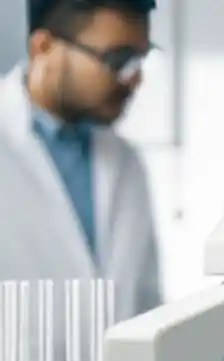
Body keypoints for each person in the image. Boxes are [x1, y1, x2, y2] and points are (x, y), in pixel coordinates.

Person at [0, 0, 161, 319]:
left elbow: (147, 304)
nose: (134, 78)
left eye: (140, 59)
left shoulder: (127, 163)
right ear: (44, 47)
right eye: (119, 59)